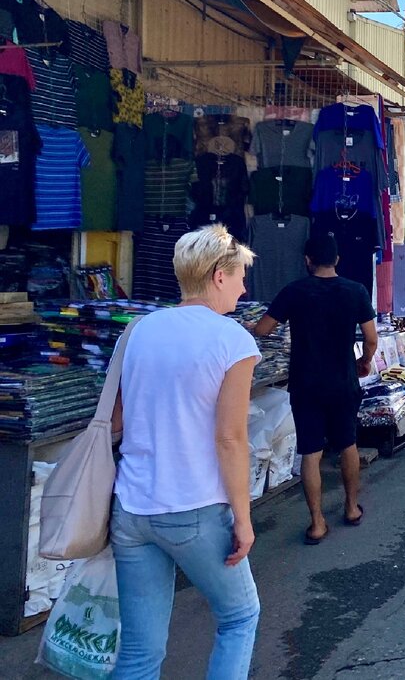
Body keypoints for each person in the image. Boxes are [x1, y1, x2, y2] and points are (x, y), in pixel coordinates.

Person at [110, 224, 261, 678]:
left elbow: (116, 423)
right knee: (239, 616)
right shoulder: (232, 340)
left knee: (139, 651)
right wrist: (244, 517)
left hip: (132, 507)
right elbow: (230, 438)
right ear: (219, 275)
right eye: (239, 276)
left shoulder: (137, 330)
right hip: (192, 506)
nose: (243, 286)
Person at [250, 233, 377, 544]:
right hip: (342, 380)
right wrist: (366, 362)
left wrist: (248, 326)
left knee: (311, 452)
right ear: (337, 260)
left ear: (307, 260)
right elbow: (371, 338)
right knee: (348, 444)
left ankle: (317, 523)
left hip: (306, 383)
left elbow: (264, 329)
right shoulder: (355, 291)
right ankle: (350, 508)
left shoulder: (294, 291)